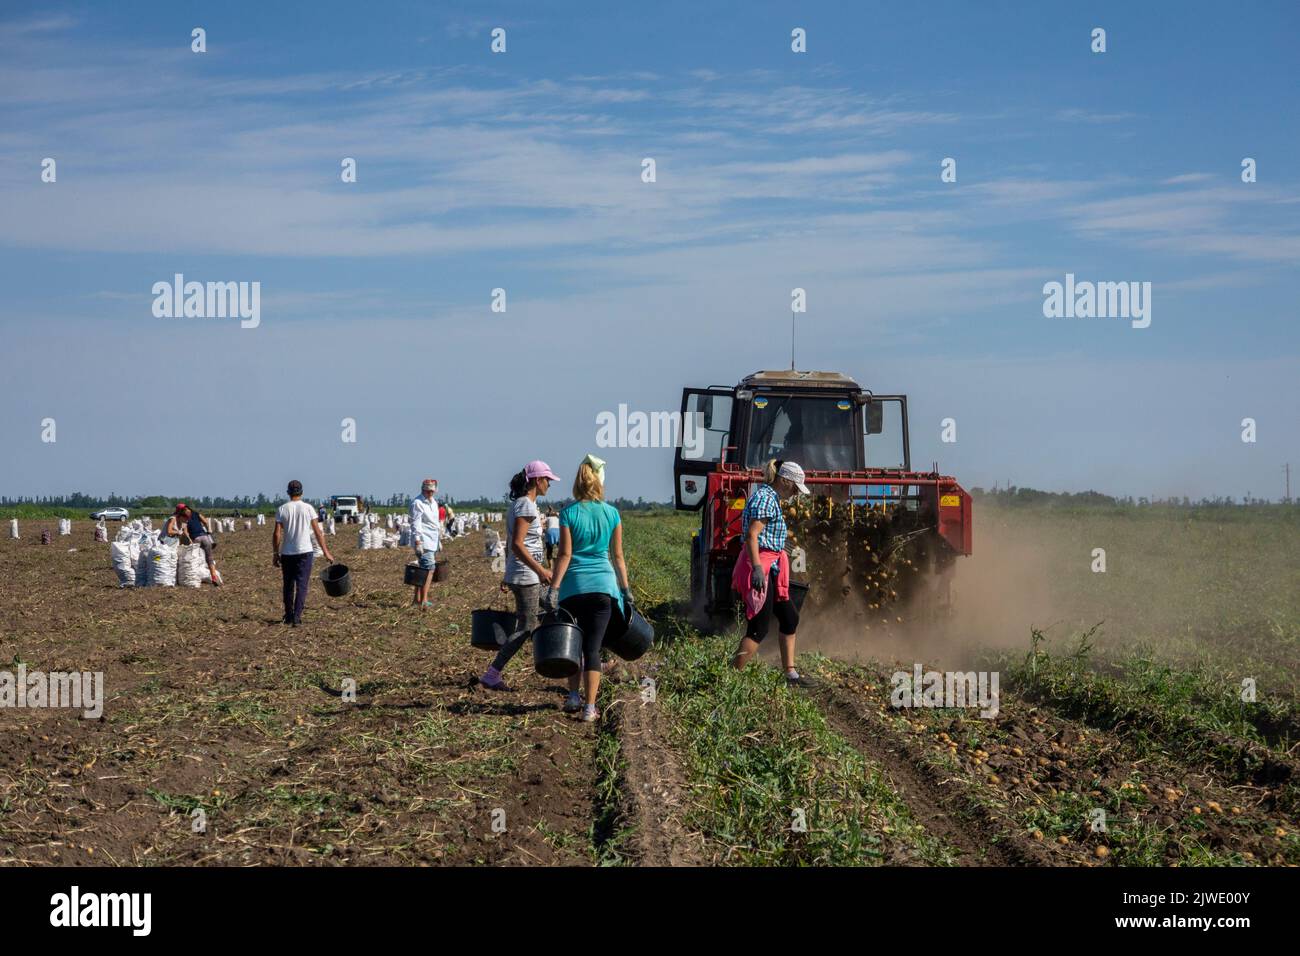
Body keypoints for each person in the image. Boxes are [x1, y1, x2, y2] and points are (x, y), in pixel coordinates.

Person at [549, 454, 630, 722]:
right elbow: (617, 556)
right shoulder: (612, 513)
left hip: (573, 589)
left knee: (573, 645)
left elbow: (564, 555)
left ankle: (573, 697)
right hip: (603, 588)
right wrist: (625, 589)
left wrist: (554, 588)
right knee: (592, 649)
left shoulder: (568, 513)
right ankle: (590, 708)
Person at [479, 461, 558, 691]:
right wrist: (541, 570)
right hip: (527, 578)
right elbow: (516, 544)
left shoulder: (521, 504)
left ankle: (570, 659)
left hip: (523, 574)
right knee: (526, 627)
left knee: (554, 606)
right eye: (547, 480)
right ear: (536, 480)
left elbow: (510, 545)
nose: (550, 485)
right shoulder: (525, 506)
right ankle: (492, 674)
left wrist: (506, 573)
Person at [731, 459, 810, 685]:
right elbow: (752, 536)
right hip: (760, 566)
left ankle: (790, 674)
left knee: (789, 618)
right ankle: (731, 676)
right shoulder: (765, 499)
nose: (796, 493)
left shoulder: (772, 498)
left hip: (772, 565)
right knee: (758, 628)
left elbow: (768, 538)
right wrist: (757, 568)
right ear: (785, 481)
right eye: (795, 487)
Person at [272, 479, 335, 627]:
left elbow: (276, 534)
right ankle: (297, 617)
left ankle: (288, 616)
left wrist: (275, 553)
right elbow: (318, 532)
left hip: (287, 553)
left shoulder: (282, 509)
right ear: (301, 492)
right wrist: (326, 552)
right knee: (302, 585)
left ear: (288, 493)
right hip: (305, 552)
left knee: (288, 585)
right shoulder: (308, 508)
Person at [409, 478, 440, 608]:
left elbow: (434, 523)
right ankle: (424, 601)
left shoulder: (434, 503)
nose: (429, 493)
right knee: (429, 569)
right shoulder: (418, 503)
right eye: (427, 491)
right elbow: (416, 523)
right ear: (422, 490)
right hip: (423, 540)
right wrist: (417, 541)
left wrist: (439, 539)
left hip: (432, 540)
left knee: (422, 569)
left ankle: (417, 600)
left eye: (432, 491)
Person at [181, 504, 222, 586]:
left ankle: (195, 576)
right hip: (205, 537)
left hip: (196, 539)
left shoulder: (184, 518)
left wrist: (189, 540)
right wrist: (209, 530)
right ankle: (213, 576)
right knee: (209, 558)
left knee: (195, 559)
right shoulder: (196, 514)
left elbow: (185, 532)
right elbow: (206, 522)